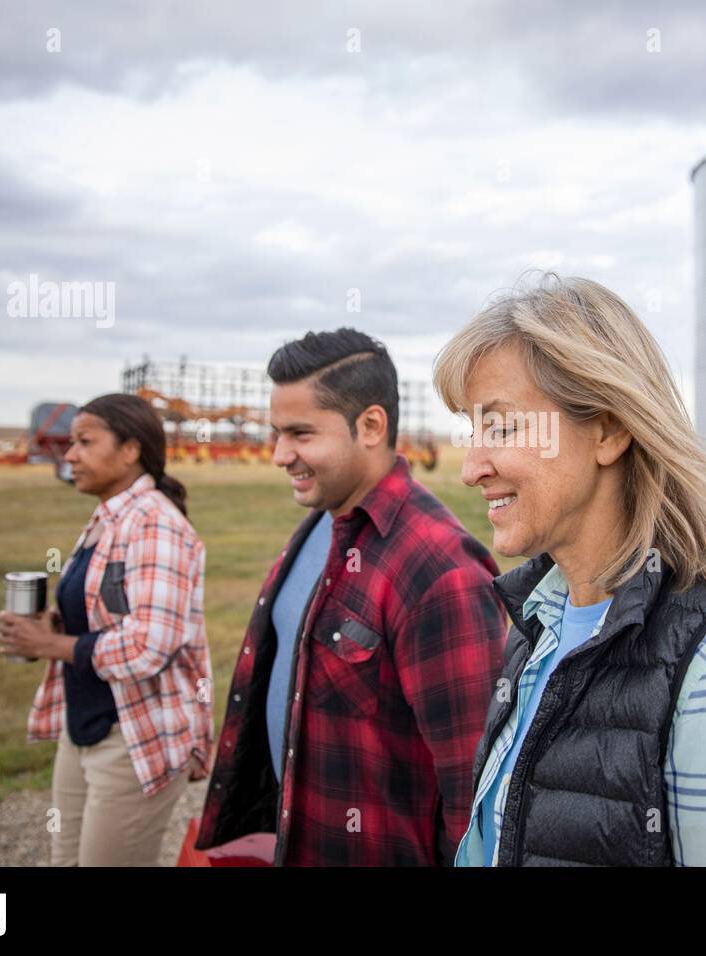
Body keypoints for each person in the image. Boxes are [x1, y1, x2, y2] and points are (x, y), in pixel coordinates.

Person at [433, 273, 706, 867]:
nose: (471, 468)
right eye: (472, 430)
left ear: (609, 429)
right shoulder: (540, 621)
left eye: (502, 427)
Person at [195, 328, 507, 866]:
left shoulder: (439, 569)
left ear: (370, 426)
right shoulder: (323, 522)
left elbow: (472, 794)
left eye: (300, 434)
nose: (279, 455)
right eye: (276, 433)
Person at [0, 393, 213, 866]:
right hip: (84, 729)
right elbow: (105, 616)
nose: (69, 455)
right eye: (71, 443)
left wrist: (53, 644)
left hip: (133, 739)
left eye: (84, 442)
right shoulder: (107, 518)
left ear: (131, 449)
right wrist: (49, 630)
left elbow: (148, 646)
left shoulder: (155, 524)